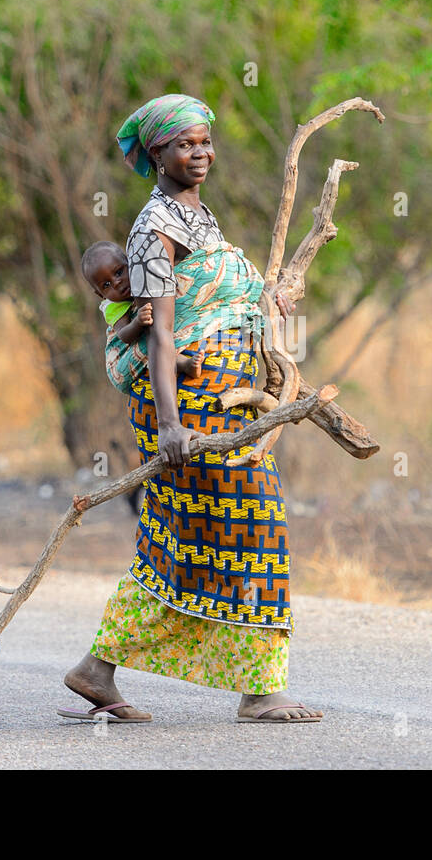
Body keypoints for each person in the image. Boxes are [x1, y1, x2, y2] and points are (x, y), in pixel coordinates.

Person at [58, 92, 321, 724]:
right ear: (156, 154)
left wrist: (271, 297)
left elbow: (222, 291)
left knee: (188, 540)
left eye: (204, 141)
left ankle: (98, 669)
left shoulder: (196, 215)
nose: (198, 153)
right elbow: (162, 332)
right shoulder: (154, 232)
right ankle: (260, 690)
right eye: (183, 144)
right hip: (190, 410)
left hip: (226, 403)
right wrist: (173, 426)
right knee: (253, 528)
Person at [80, 240, 206, 378]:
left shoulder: (144, 274)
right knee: (151, 345)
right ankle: (184, 365)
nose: (116, 283)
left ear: (131, 263)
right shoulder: (112, 307)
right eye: (106, 284)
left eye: (118, 272)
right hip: (131, 349)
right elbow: (123, 335)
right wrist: (137, 322)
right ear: (100, 295)